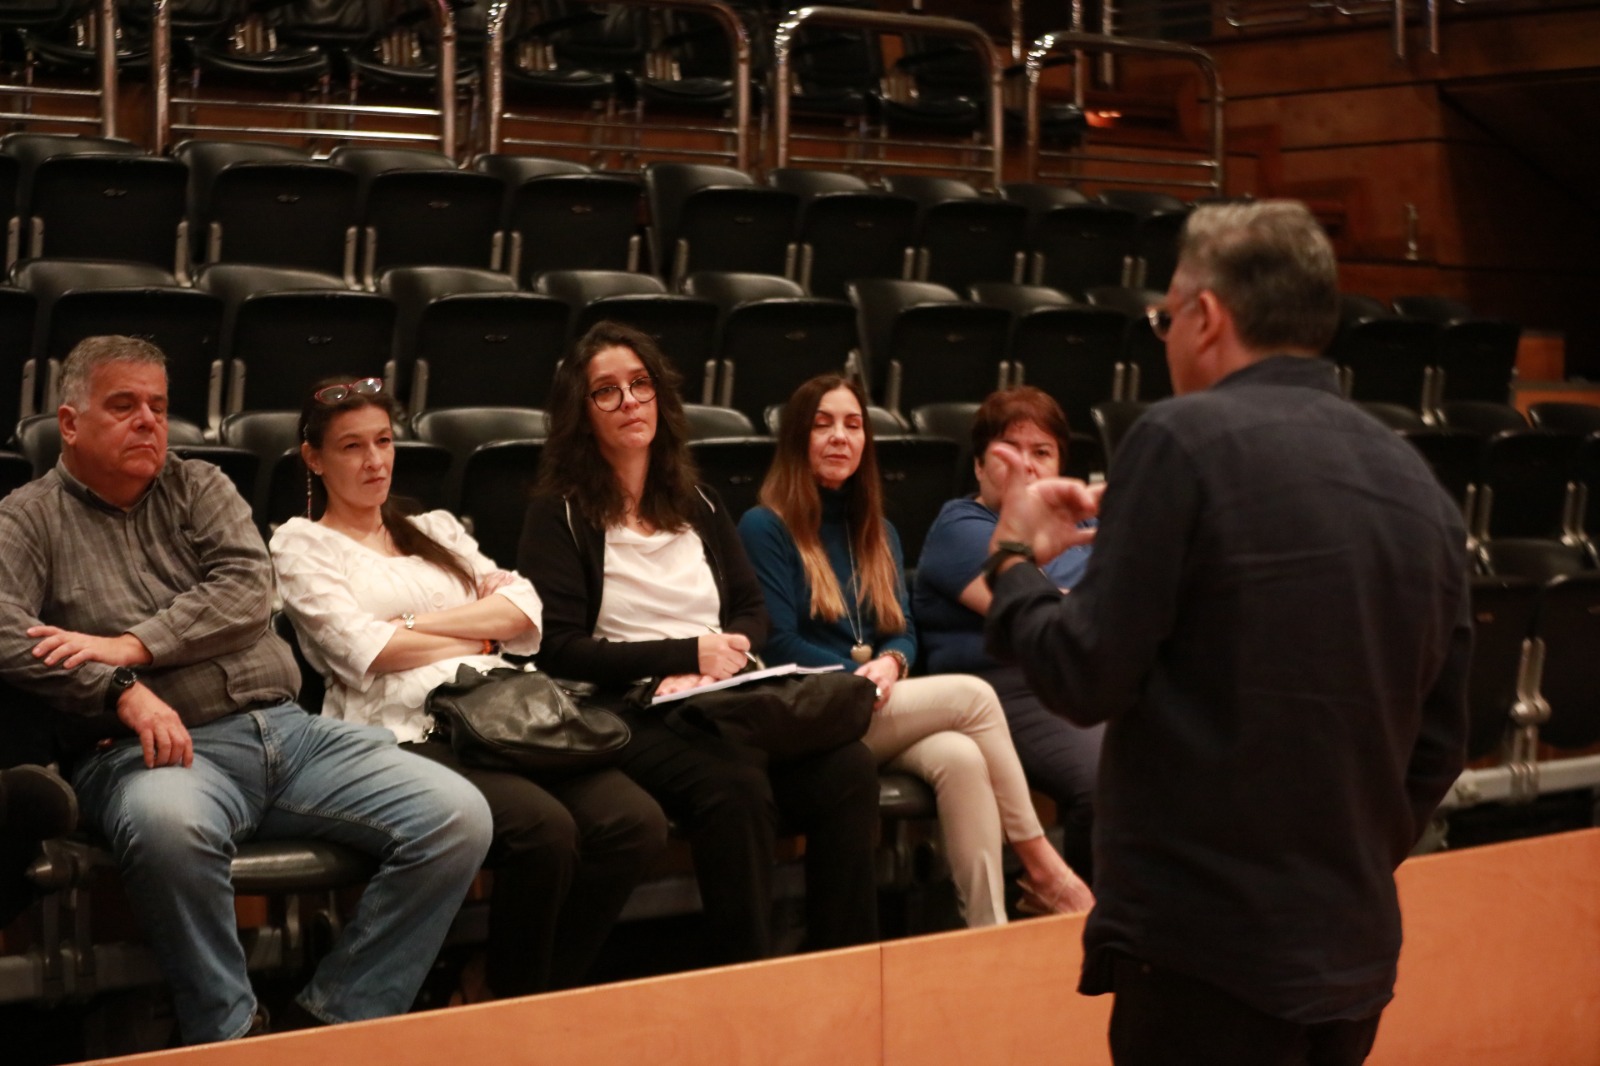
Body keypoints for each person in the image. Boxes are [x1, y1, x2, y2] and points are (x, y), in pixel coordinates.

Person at [982, 201, 1471, 1064]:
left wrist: (1016, 560)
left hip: (1205, 953)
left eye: (1165, 318)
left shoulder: (1181, 438)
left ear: (1205, 316)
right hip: (1351, 951)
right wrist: (1344, 855)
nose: (1165, 337)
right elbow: (1440, 743)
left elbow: (1085, 676)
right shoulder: (1415, 481)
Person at [0, 336, 493, 1045]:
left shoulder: (199, 484)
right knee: (167, 831)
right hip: (153, 752)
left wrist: (133, 645)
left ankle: (328, 1023)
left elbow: (245, 591)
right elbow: (8, 634)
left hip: (288, 732)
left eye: (158, 406)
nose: (148, 421)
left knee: (457, 817)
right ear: (70, 423)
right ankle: (228, 1039)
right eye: (124, 405)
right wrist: (122, 688)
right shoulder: (26, 518)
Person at [271, 377, 667, 999]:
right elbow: (361, 650)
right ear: (314, 459)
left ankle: (517, 988)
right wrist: (477, 636)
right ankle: (512, 1002)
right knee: (544, 831)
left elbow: (524, 608)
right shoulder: (301, 543)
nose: (374, 461)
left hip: (505, 709)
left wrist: (410, 625)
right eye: (351, 447)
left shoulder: (436, 529)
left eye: (383, 441)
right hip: (408, 730)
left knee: (635, 822)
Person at [516, 321, 880, 965]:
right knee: (733, 783)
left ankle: (843, 968)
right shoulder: (560, 511)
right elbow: (560, 648)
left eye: (641, 384)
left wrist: (725, 657)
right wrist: (685, 657)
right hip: (626, 707)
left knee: (848, 768)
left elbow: (751, 609)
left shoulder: (698, 503)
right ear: (583, 411)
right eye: (607, 391)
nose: (629, 401)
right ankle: (746, 980)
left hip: (722, 694)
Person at [736, 375, 1093, 927]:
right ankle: (1044, 867)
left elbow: (901, 631)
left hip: (871, 704)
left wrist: (893, 661)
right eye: (822, 425)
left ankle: (988, 932)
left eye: (853, 425)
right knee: (974, 697)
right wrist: (860, 675)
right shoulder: (765, 526)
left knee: (962, 757)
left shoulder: (879, 531)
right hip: (811, 708)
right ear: (796, 439)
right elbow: (779, 642)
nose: (839, 436)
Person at [913, 387, 1103, 880]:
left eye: (1041, 452)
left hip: (1083, 682)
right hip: (1004, 693)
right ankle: (1086, 919)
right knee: (1104, 783)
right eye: (1009, 452)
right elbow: (1042, 617)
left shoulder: (1083, 522)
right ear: (979, 467)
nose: (1026, 467)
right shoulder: (961, 526)